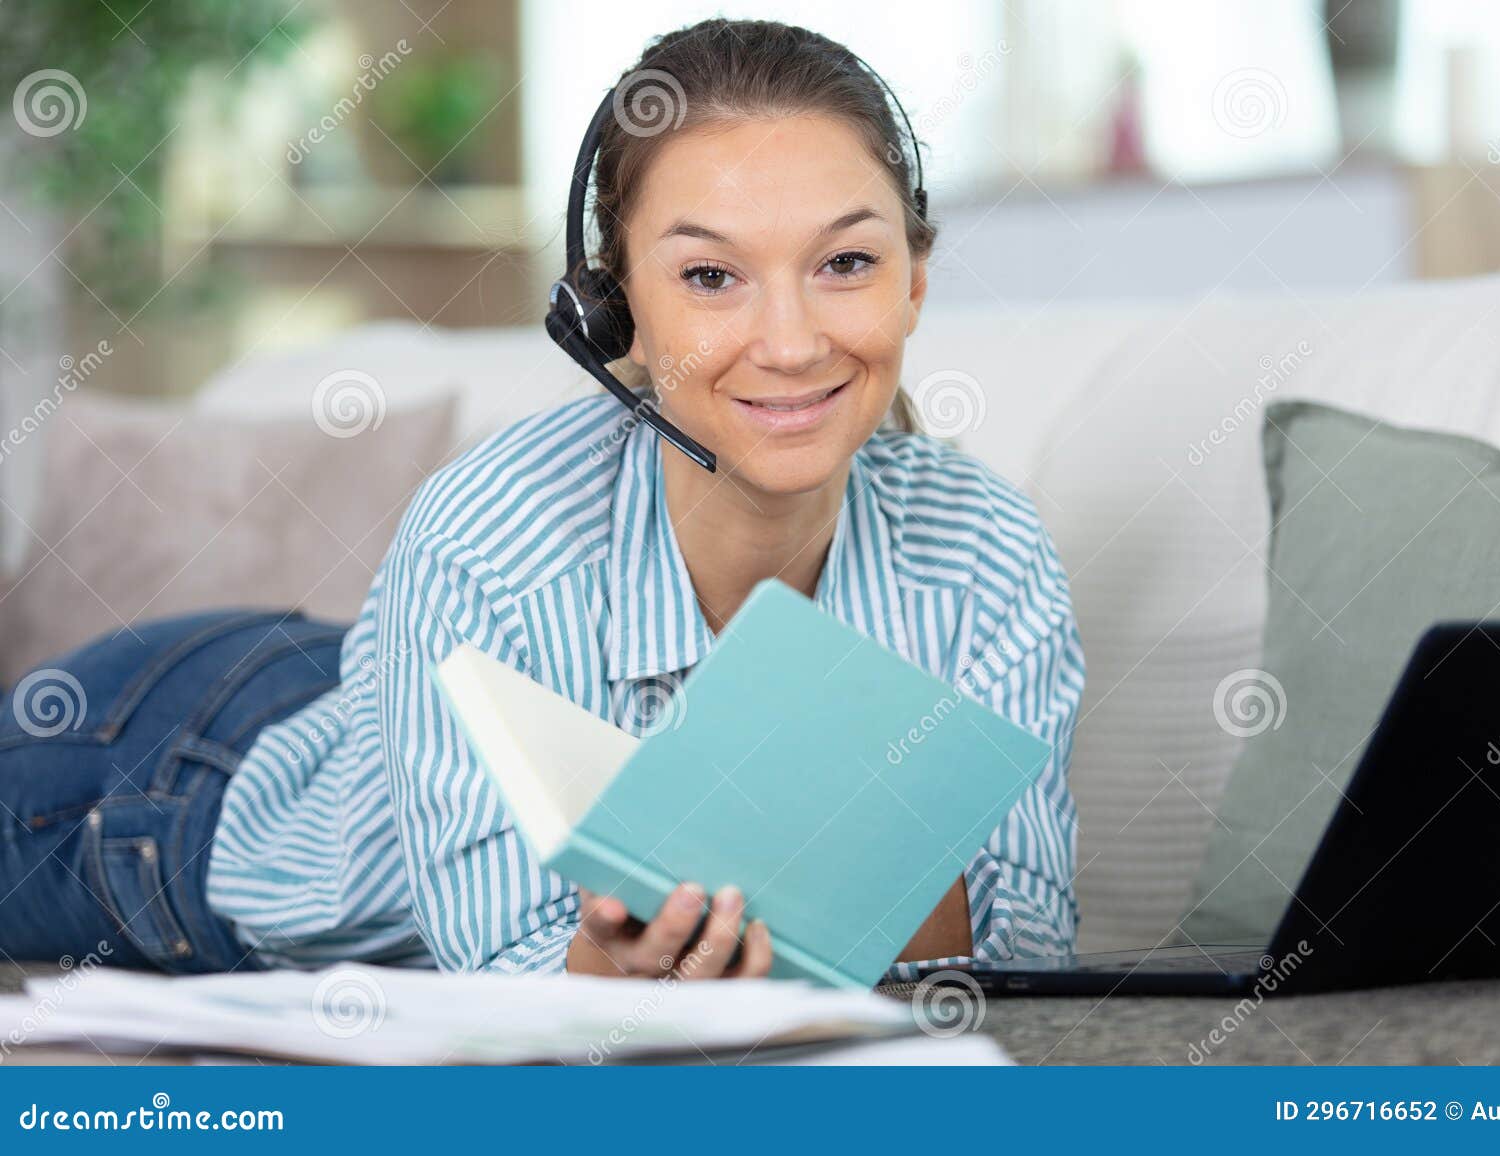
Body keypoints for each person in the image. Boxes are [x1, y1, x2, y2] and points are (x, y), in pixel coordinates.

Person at [0, 17, 1085, 984]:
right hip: (169, 771)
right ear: (613, 313)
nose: (793, 342)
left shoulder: (986, 554)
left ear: (914, 283)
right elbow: (500, 969)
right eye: (710, 277)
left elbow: (1031, 940)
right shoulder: (486, 541)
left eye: (846, 261)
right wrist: (634, 957)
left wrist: (793, 905)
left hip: (369, 691)